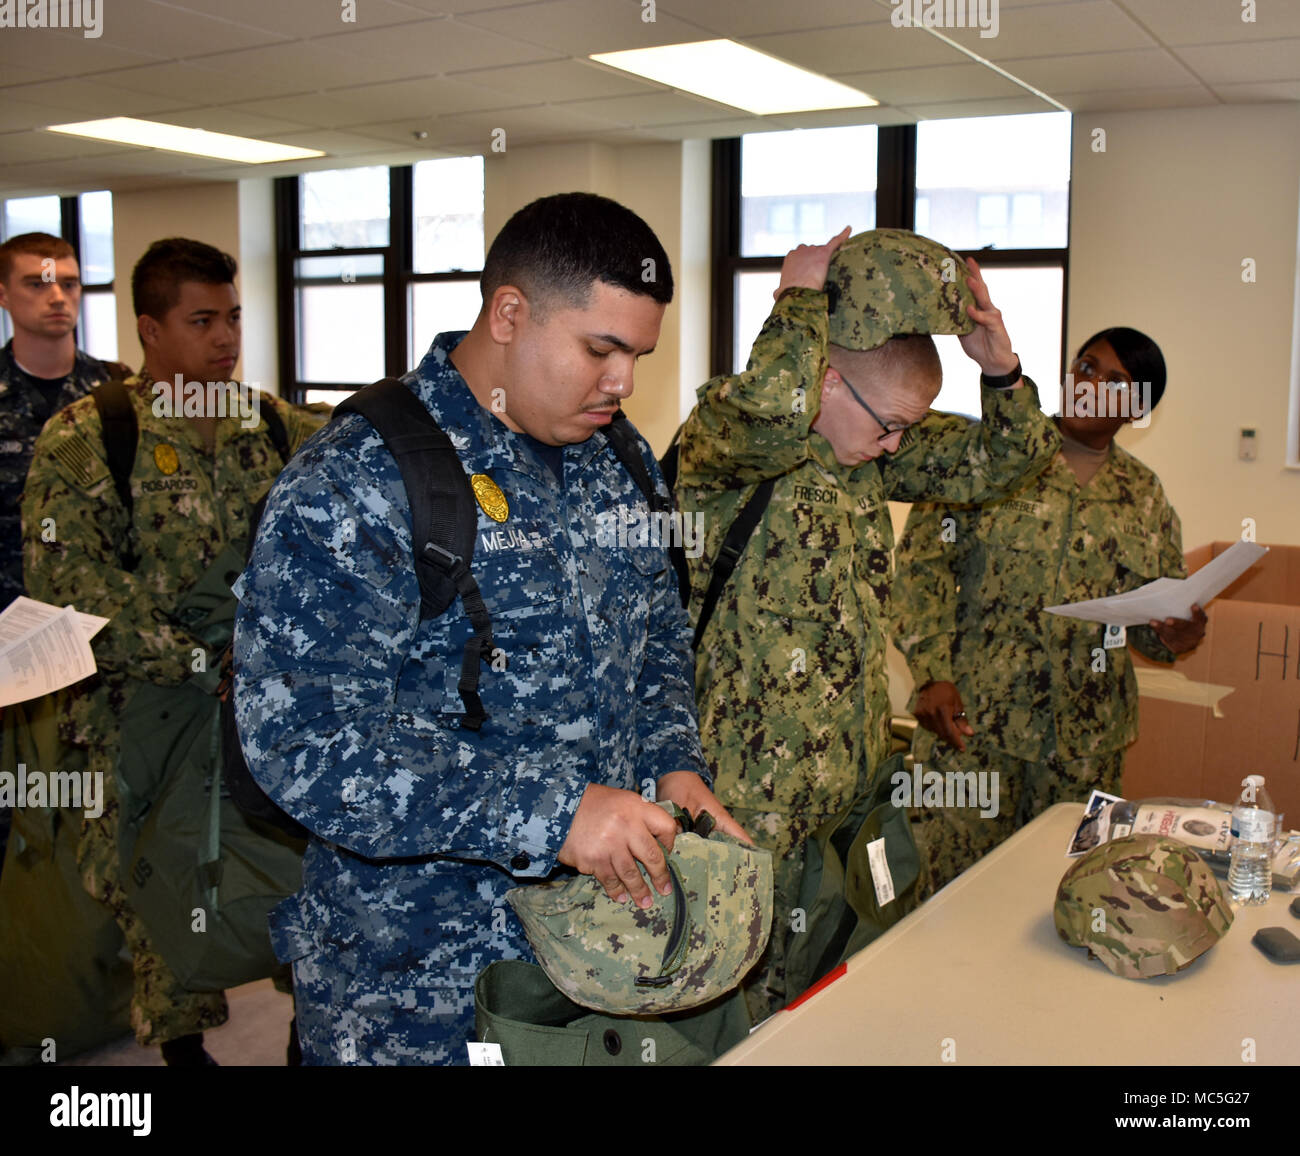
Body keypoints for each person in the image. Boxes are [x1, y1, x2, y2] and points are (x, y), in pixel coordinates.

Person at [233, 192, 746, 1066]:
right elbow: (302, 742)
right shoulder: (358, 481)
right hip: (418, 983)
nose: (623, 383)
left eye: (639, 355)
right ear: (510, 312)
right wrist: (553, 813)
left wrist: (673, 763)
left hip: (593, 955)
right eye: (601, 348)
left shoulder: (614, 461)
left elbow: (658, 635)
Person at [675, 227, 1061, 1019]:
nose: (894, 446)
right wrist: (797, 299)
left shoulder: (871, 454)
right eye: (886, 423)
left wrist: (1002, 370)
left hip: (838, 800)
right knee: (731, 1020)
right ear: (822, 380)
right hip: (742, 809)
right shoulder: (727, 445)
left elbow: (1012, 460)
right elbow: (770, 410)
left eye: (907, 431)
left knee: (821, 1001)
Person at [22, 237, 325, 1064]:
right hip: (143, 718)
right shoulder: (89, 438)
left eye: (233, 316)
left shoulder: (269, 424)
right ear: (152, 330)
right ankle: (184, 1055)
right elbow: (72, 586)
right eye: (203, 320)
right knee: (164, 891)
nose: (226, 337)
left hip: (258, 711)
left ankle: (310, 1033)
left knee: (295, 874)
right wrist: (198, 661)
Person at [892, 326, 1206, 900]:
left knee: (1066, 894)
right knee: (952, 896)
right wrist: (931, 672)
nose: (1091, 386)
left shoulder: (1144, 495)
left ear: (1138, 408)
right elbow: (921, 569)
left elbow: (1156, 625)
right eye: (1086, 367)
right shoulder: (991, 459)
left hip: (1086, 748)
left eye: (1116, 381)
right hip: (973, 730)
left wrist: (1179, 631)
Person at [0, 232, 126, 874]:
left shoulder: (118, 395)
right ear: (3, 293)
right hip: (8, 642)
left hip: (98, 642)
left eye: (70, 283)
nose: (57, 297)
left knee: (102, 809)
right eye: (37, 282)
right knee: (15, 807)